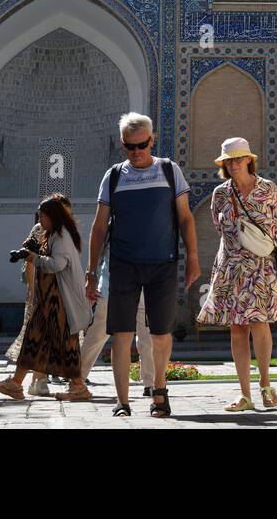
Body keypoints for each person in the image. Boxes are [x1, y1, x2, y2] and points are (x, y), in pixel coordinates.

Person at [86, 112, 200, 419]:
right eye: (128, 147)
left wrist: (192, 258)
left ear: (151, 140)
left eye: (140, 145)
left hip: (162, 263)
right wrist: (91, 271)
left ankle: (158, 392)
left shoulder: (168, 170)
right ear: (122, 144)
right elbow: (98, 228)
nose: (135, 152)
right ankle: (122, 401)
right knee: (121, 334)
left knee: (160, 334)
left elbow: (186, 218)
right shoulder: (113, 176)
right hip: (123, 264)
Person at [196, 137, 277, 412]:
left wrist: (261, 247)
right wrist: (235, 223)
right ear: (224, 164)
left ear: (249, 159)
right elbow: (219, 226)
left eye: (239, 158)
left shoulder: (268, 189)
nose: (234, 164)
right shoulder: (221, 194)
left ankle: (266, 385)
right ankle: (245, 394)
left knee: (260, 324)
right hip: (233, 266)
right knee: (238, 329)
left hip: (261, 266)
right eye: (229, 160)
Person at [0, 195, 92, 401]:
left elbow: (57, 265)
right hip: (48, 300)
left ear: (53, 216)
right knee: (34, 339)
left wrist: (32, 258)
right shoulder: (50, 234)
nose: (41, 219)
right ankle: (16, 384)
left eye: (44, 215)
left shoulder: (61, 235)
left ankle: (78, 387)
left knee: (65, 343)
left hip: (60, 301)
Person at [79, 245, 153, 394]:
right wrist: (91, 277)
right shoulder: (111, 220)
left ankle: (151, 383)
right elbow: (98, 244)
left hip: (146, 284)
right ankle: (77, 378)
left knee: (147, 336)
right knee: (97, 334)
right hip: (112, 284)